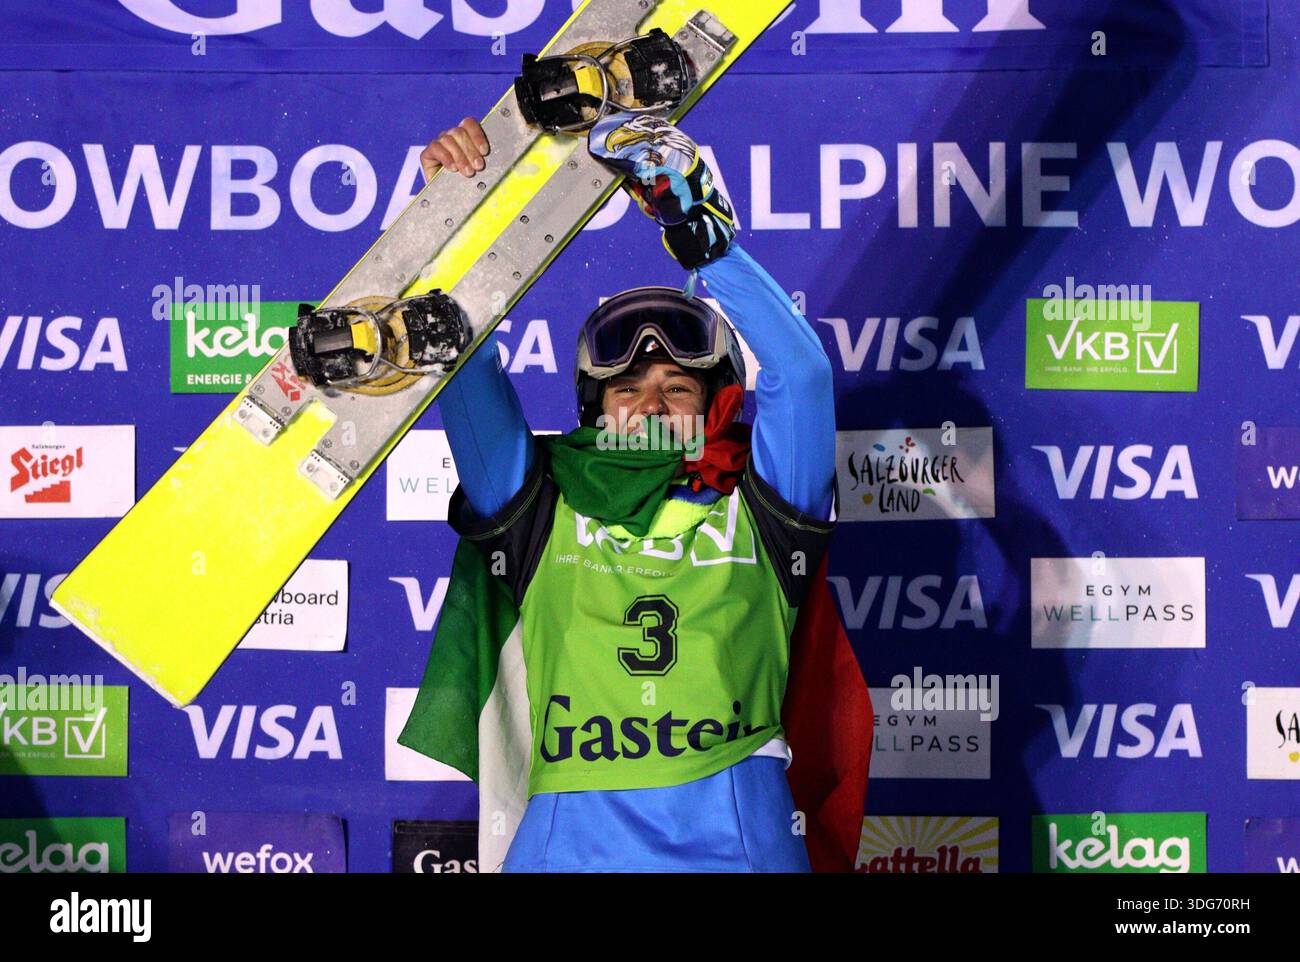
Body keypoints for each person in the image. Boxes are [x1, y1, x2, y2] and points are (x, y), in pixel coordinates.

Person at [407, 111, 841, 872]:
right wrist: (448, 210)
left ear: (717, 405)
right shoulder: (541, 503)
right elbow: (459, 359)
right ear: (592, 409)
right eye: (627, 387)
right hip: (565, 853)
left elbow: (801, 377)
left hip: (738, 851)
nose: (650, 403)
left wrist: (704, 238)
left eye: (679, 386)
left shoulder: (764, 505)